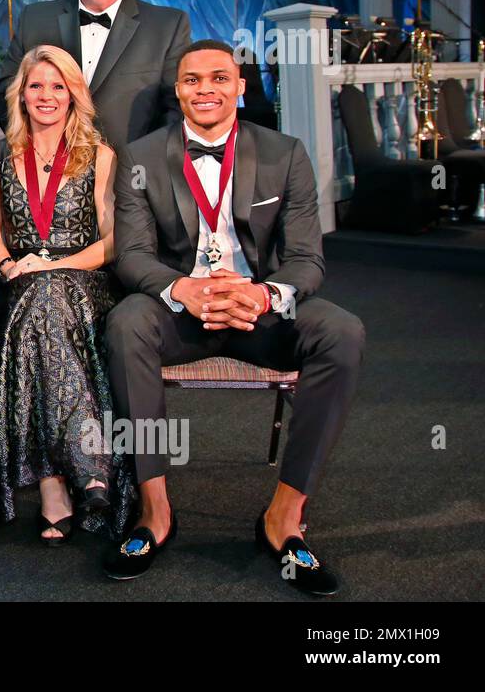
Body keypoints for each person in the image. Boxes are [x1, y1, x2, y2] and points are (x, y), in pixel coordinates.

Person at [104, 39, 364, 595]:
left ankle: (285, 518)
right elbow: (132, 256)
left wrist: (266, 294)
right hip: (182, 313)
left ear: (240, 87)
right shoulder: (141, 157)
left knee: (343, 331)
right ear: (178, 90)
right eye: (193, 80)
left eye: (219, 78)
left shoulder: (284, 152)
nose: (206, 90)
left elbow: (307, 258)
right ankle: (155, 513)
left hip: (259, 313)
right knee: (126, 324)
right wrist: (182, 288)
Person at [0, 45, 133, 543]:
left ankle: (56, 483)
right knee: (36, 299)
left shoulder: (99, 156)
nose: (47, 95)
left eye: (58, 86)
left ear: (74, 95)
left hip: (83, 283)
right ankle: (88, 472)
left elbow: (112, 240)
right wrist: (11, 264)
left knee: (47, 296)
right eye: (36, 85)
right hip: (17, 282)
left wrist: (55, 264)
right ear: (22, 94)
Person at [0, 0, 191, 152]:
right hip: (49, 174)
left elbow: (177, 108)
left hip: (131, 177)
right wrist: (37, 149)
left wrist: (144, 165)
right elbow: (6, 94)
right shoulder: (36, 18)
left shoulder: (167, 25)